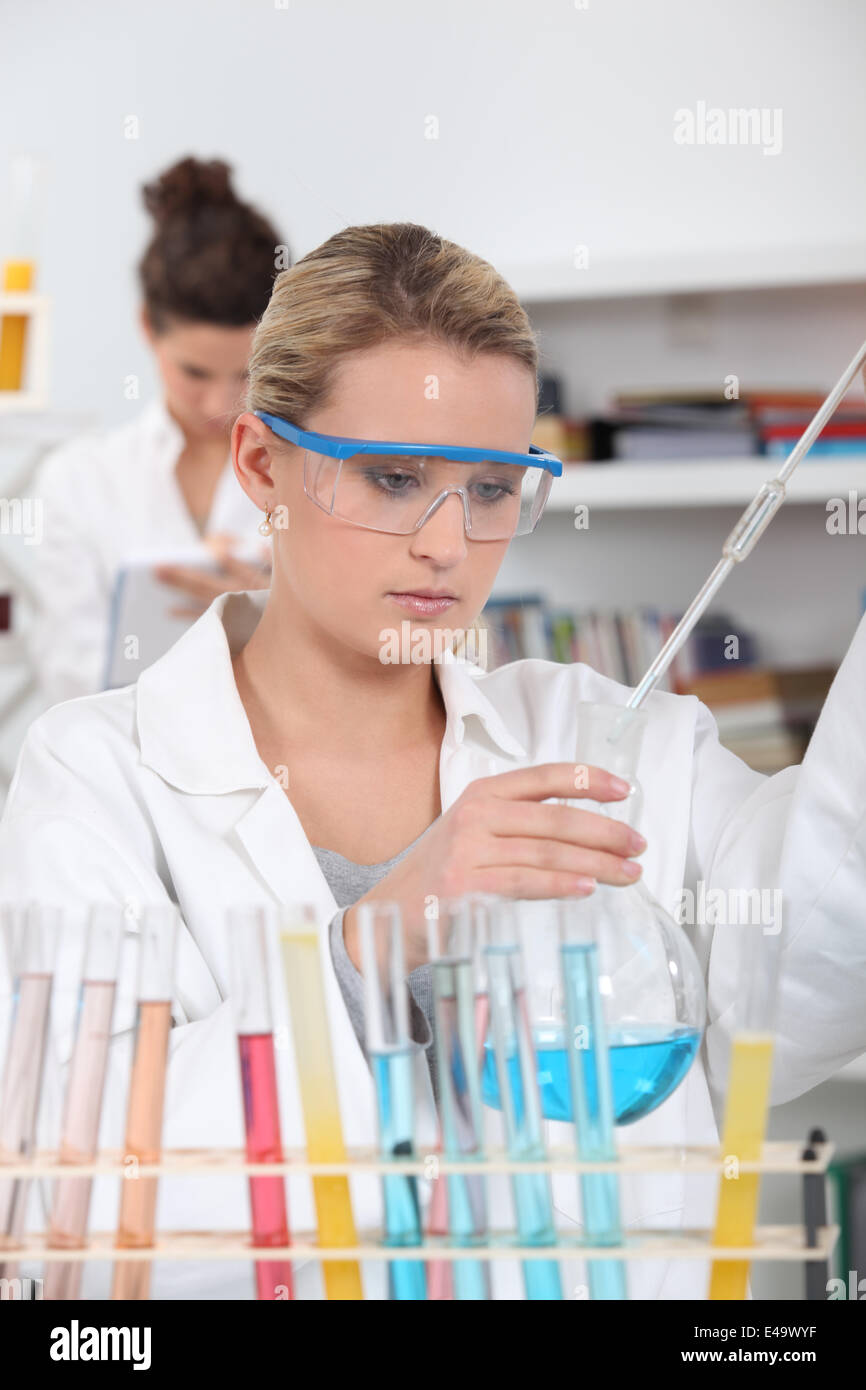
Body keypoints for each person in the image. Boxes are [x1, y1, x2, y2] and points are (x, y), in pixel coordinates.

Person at [2, 223, 865, 1301]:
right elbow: (72, 1225)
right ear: (262, 464)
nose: (448, 545)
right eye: (395, 477)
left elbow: (804, 983)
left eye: (494, 488)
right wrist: (372, 942)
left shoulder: (610, 741)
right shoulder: (97, 777)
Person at [24, 156, 278, 708]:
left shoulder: (320, 471)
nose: (219, 403)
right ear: (147, 327)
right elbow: (72, 688)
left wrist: (289, 620)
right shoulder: (79, 481)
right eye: (194, 373)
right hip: (127, 781)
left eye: (246, 372)